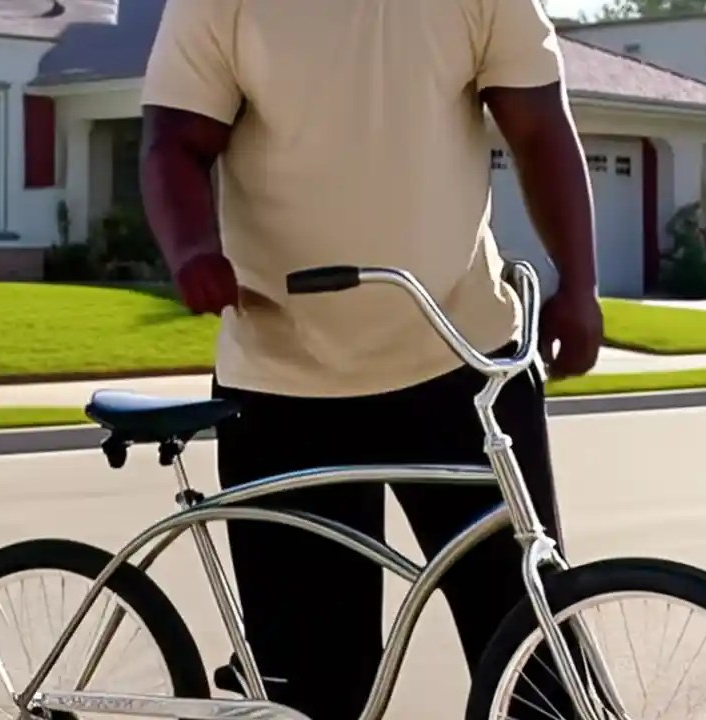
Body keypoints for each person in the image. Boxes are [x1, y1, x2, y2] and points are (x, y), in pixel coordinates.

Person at [138, 0, 602, 715]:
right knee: (318, 689)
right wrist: (193, 249)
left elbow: (539, 127)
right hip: (285, 385)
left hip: (463, 366)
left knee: (536, 659)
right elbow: (174, 139)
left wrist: (580, 283)